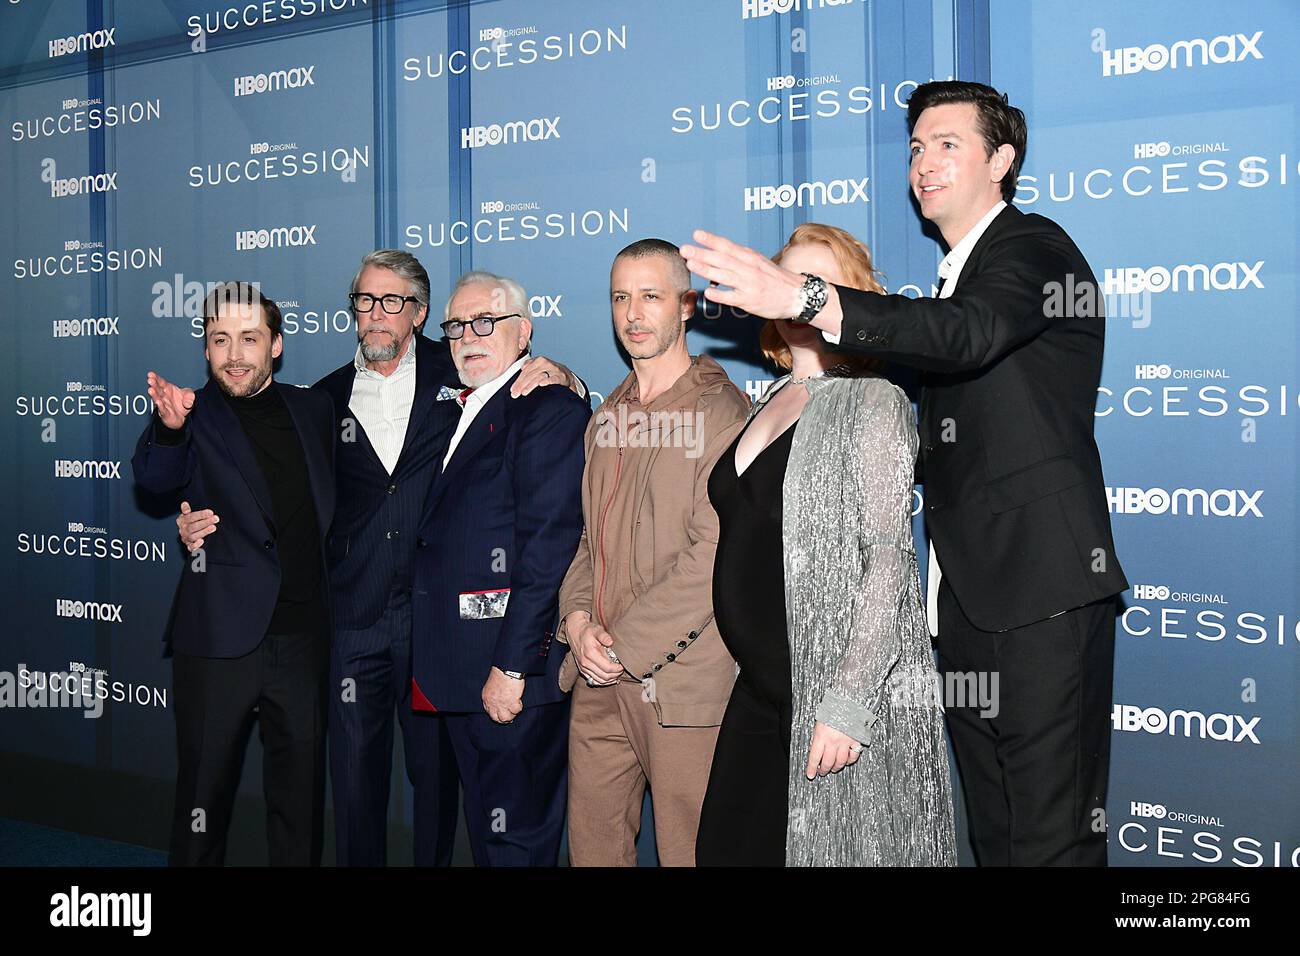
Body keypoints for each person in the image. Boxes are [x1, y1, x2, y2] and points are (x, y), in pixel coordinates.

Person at [682, 80, 1128, 867]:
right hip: (964, 608)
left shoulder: (1032, 248)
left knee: (1051, 845)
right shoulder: (957, 281)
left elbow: (969, 333)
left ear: (1003, 161)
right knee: (997, 839)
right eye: (916, 146)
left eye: (948, 143)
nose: (924, 161)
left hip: (1041, 598)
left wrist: (806, 294)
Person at [176, 251, 585, 866]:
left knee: (437, 780)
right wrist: (198, 519)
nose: (376, 316)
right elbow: (267, 487)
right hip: (351, 620)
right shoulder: (320, 401)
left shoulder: (468, 372)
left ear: (419, 314)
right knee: (354, 779)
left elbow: (527, 390)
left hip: (436, 626)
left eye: (392, 302)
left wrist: (565, 375)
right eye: (364, 302)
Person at [695, 223, 956, 867]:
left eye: (813, 282)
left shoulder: (874, 401)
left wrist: (849, 705)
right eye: (784, 279)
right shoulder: (773, 397)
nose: (794, 293)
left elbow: (889, 562)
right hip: (759, 684)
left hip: (827, 693)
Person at [557, 239, 750, 866]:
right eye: (620, 297)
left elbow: (714, 556)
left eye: (650, 296)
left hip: (681, 686)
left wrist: (622, 646)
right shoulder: (605, 415)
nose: (632, 313)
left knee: (689, 851)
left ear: (687, 305)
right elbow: (590, 538)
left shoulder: (721, 411)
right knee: (593, 849)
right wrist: (578, 620)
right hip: (597, 676)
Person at [132, 282, 336, 866]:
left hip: (301, 640)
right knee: (202, 800)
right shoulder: (190, 414)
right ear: (205, 349)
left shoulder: (314, 409)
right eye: (220, 340)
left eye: (249, 338)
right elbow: (155, 478)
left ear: (275, 345)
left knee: (298, 806)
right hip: (218, 639)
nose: (235, 353)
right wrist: (169, 428)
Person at [408, 270, 589, 866]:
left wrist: (512, 666)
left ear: (523, 334)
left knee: (516, 845)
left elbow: (547, 552)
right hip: (459, 670)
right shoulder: (459, 405)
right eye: (457, 325)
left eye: (485, 322)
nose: (468, 336)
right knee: (489, 840)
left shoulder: (546, 408)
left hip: (509, 675)